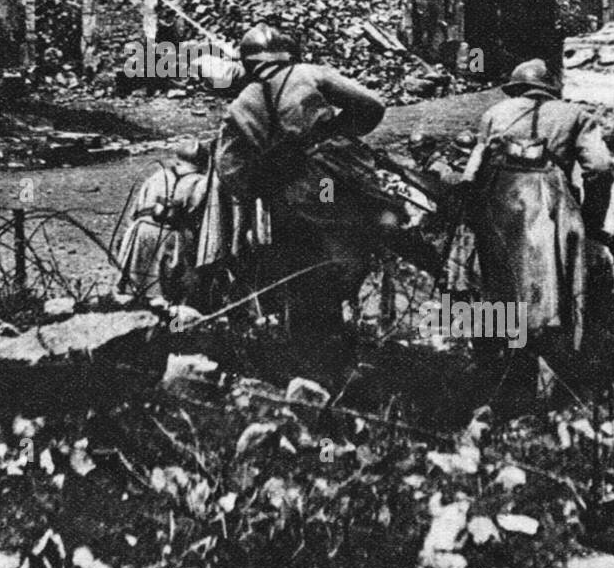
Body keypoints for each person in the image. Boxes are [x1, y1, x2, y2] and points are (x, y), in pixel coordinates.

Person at [214, 23, 401, 346]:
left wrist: (265, 182)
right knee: (366, 226)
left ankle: (312, 337)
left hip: (291, 192)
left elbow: (230, 171)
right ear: (290, 53)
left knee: (302, 263)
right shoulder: (311, 74)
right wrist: (336, 131)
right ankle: (356, 304)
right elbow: (372, 107)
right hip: (337, 175)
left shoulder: (241, 104)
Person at [461, 58, 614, 361]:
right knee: (556, 281)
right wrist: (591, 222)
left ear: (516, 88)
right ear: (551, 88)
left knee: (496, 280)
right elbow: (601, 168)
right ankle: (555, 357)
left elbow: (472, 173)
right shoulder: (576, 115)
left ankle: (495, 357)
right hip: (552, 208)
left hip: (500, 204)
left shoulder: (493, 114)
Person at [115, 139, 210, 307]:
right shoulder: (202, 183)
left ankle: (135, 322)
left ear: (178, 158)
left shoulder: (158, 175)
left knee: (132, 289)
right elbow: (201, 222)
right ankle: (174, 328)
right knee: (172, 295)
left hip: (140, 231)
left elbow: (134, 212)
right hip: (173, 237)